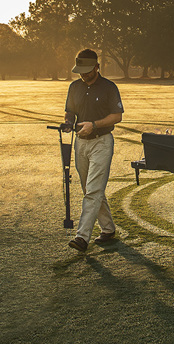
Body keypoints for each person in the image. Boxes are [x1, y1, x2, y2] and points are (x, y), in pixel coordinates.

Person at [63, 49, 124, 251]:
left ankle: (82, 237)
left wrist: (94, 125)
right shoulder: (74, 87)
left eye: (87, 70)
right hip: (80, 143)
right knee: (90, 189)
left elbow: (117, 116)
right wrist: (68, 122)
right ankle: (108, 228)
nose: (83, 74)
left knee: (93, 190)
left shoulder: (109, 87)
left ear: (97, 67)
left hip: (102, 142)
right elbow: (70, 111)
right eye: (80, 70)